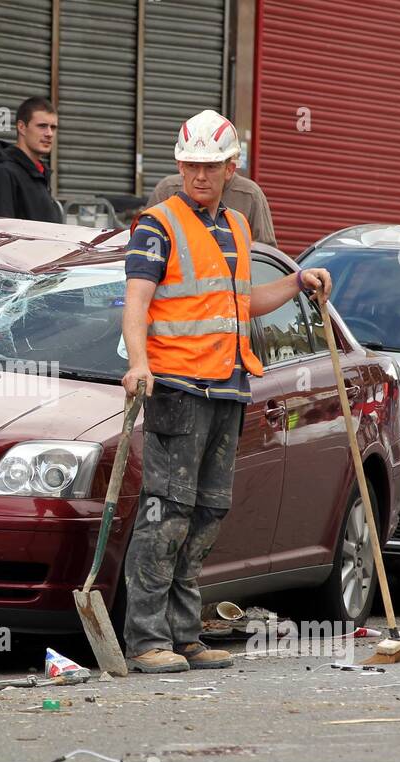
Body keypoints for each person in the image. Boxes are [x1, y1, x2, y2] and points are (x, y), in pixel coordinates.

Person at [120, 109, 331, 674]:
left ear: (231, 167)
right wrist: (138, 363)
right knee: (167, 511)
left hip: (228, 388)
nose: (198, 175)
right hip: (177, 388)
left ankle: (185, 635)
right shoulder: (156, 225)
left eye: (210, 166)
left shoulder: (237, 226)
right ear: (179, 163)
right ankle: (145, 640)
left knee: (209, 512)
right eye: (190, 164)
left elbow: (243, 303)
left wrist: (294, 282)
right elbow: (136, 302)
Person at [148, 162, 277, 247]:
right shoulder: (168, 190)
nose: (201, 177)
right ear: (181, 166)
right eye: (193, 165)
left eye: (211, 166)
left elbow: (266, 257)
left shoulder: (249, 195)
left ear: (229, 169)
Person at [0, 96, 63, 222]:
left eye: (53, 127)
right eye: (42, 126)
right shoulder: (4, 174)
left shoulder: (39, 173)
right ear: (22, 127)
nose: (49, 133)